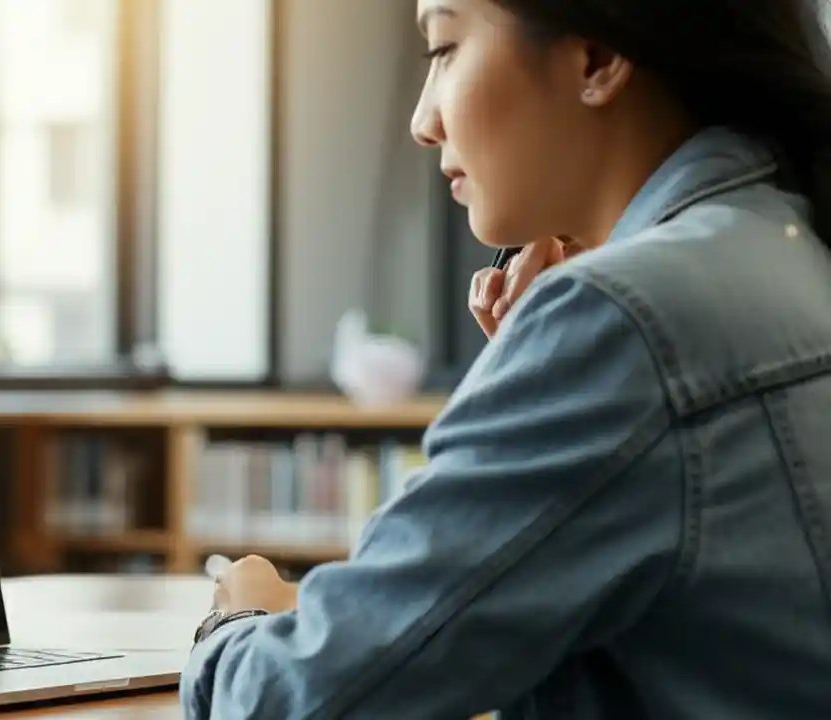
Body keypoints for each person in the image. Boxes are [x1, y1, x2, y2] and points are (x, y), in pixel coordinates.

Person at [180, 0, 831, 717]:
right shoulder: (783, 247)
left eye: (445, 48)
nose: (422, 122)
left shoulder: (627, 319)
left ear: (596, 59)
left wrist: (238, 624)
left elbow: (298, 700)